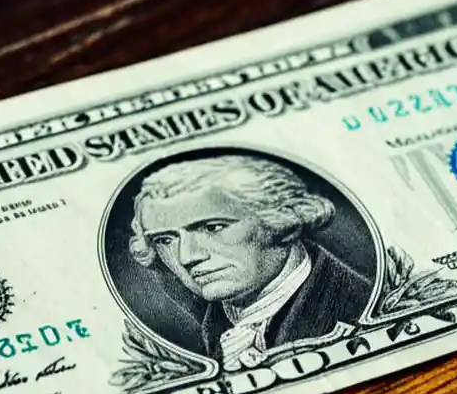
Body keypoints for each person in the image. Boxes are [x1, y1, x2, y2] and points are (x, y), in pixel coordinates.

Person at [129, 154, 371, 369]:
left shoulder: (356, 303)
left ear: (284, 222)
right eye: (165, 240)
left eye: (213, 227)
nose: (187, 257)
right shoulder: (213, 325)